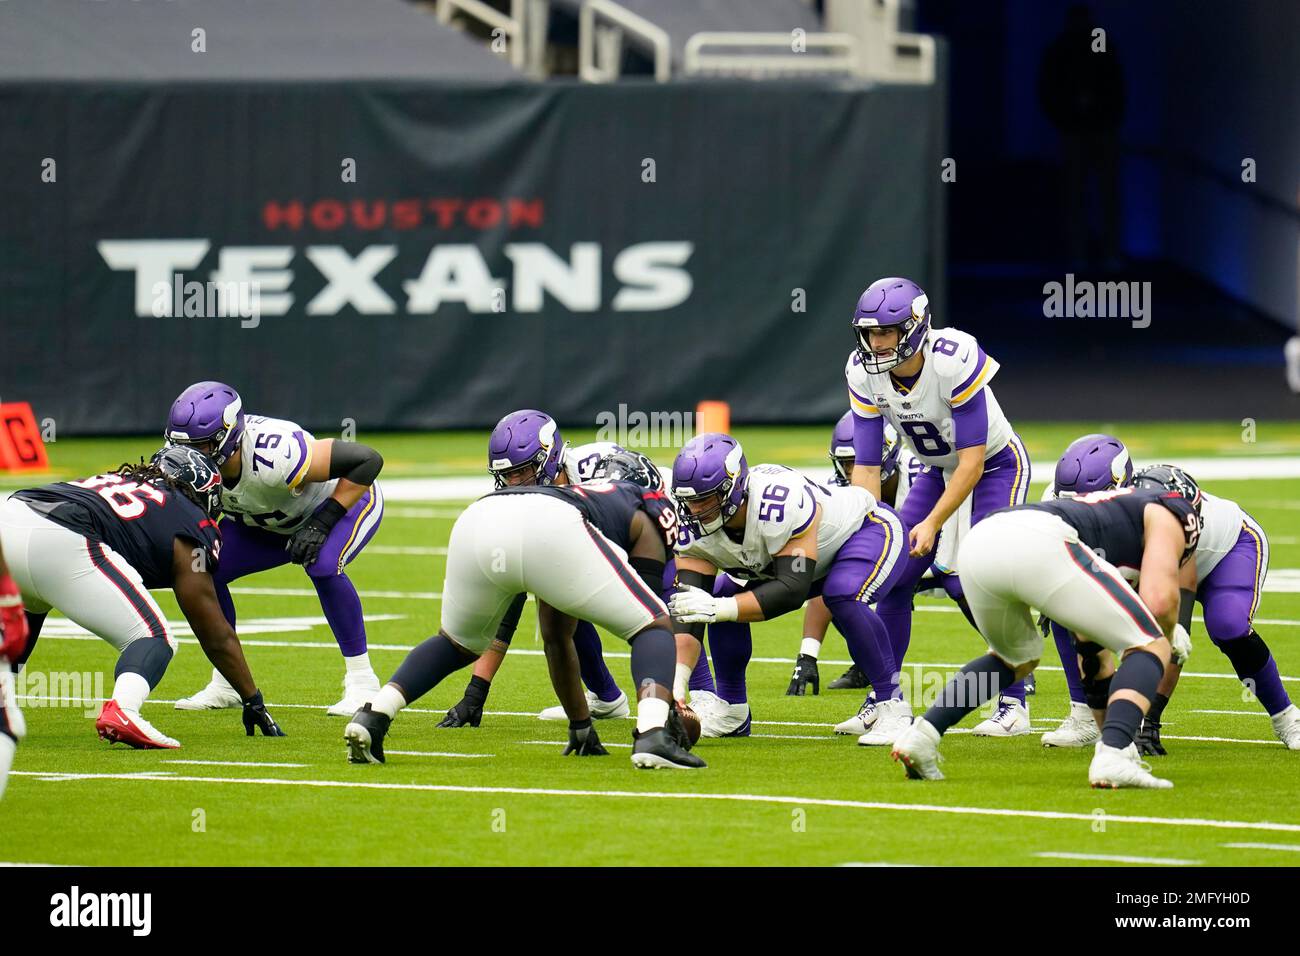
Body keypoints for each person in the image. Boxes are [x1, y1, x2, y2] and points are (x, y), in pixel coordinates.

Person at [346, 475, 703, 769]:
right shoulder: (648, 507)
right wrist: (664, 705)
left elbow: (556, 636)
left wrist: (580, 726)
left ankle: (375, 715)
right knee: (653, 625)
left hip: (479, 517)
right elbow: (650, 611)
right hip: (551, 526)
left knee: (456, 643)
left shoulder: (584, 498)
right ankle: (653, 735)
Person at [891, 475, 1202, 789]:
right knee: (1151, 645)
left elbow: (1092, 659)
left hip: (982, 540)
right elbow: (1161, 603)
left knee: (1015, 659)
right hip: (1040, 540)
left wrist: (1113, 735)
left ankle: (922, 737)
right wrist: (1166, 633)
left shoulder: (1110, 518)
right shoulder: (1171, 509)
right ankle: (1115, 757)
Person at [1, 447, 284, 749]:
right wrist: (252, 698)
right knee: (154, 636)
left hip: (11, 515)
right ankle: (123, 709)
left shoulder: (120, 481)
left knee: (28, 608)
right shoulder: (190, 518)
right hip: (60, 537)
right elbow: (213, 629)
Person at [668, 433, 910, 744]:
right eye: (689, 500)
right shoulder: (689, 524)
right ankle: (732, 710)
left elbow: (792, 590)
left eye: (706, 498)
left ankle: (892, 704)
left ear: (735, 487)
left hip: (867, 530)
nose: (695, 509)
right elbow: (690, 612)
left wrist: (720, 609)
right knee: (719, 596)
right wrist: (677, 681)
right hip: (801, 562)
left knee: (842, 595)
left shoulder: (777, 501)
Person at [163, 381, 385, 716]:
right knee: (203, 567)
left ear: (229, 435)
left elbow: (367, 461)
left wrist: (322, 522)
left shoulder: (276, 454)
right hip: (264, 520)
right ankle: (227, 683)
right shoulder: (186, 465)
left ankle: (363, 683)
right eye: (184, 445)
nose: (192, 456)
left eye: (203, 445)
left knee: (323, 566)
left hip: (338, 501)